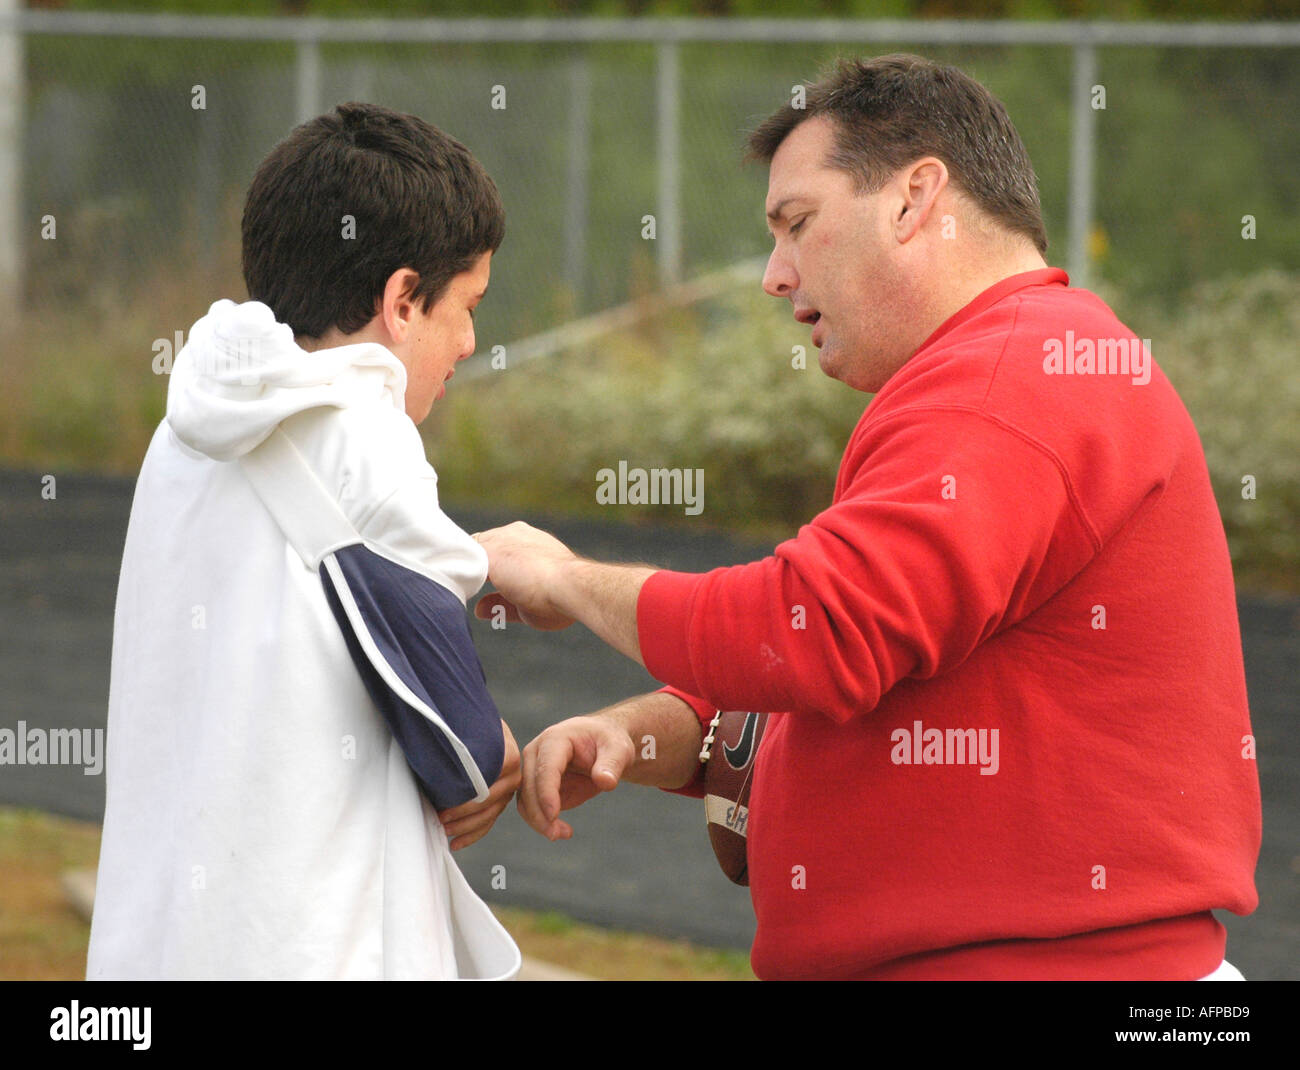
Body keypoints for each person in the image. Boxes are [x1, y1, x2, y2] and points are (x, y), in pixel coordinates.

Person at [474, 55, 1262, 981]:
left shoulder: (1012, 375)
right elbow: (850, 674)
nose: (775, 275)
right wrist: (643, 734)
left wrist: (565, 576)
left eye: (797, 225)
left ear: (914, 199)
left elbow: (816, 631)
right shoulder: (1017, 364)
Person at [87, 103, 521, 980]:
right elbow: (464, 753)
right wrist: (508, 751)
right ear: (402, 301)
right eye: (466, 307)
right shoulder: (361, 431)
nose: (471, 342)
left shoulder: (189, 427)